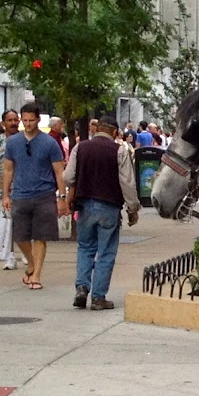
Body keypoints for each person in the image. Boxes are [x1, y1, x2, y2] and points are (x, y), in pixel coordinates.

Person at [64, 117, 139, 310]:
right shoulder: (119, 151)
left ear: (97, 129)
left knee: (85, 247)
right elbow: (127, 183)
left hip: (85, 204)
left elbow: (68, 176)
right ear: (115, 132)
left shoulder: (80, 148)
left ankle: (81, 287)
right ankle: (98, 297)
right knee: (106, 252)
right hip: (109, 206)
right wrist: (133, 208)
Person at [1, 102, 69, 289]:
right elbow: (8, 169)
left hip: (44, 194)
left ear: (38, 119)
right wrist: (5, 195)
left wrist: (61, 198)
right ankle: (31, 262)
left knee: (41, 235)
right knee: (20, 235)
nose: (28, 123)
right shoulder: (13, 142)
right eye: (25, 120)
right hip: (20, 194)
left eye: (31, 120)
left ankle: (36, 274)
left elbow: (59, 171)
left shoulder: (49, 143)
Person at [0, 109, 17, 271]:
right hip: (4, 189)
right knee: (9, 222)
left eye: (15, 119)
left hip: (22, 187)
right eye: (9, 120)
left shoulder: (24, 140)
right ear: (3, 123)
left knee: (21, 223)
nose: (13, 123)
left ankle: (25, 252)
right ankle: (10, 254)